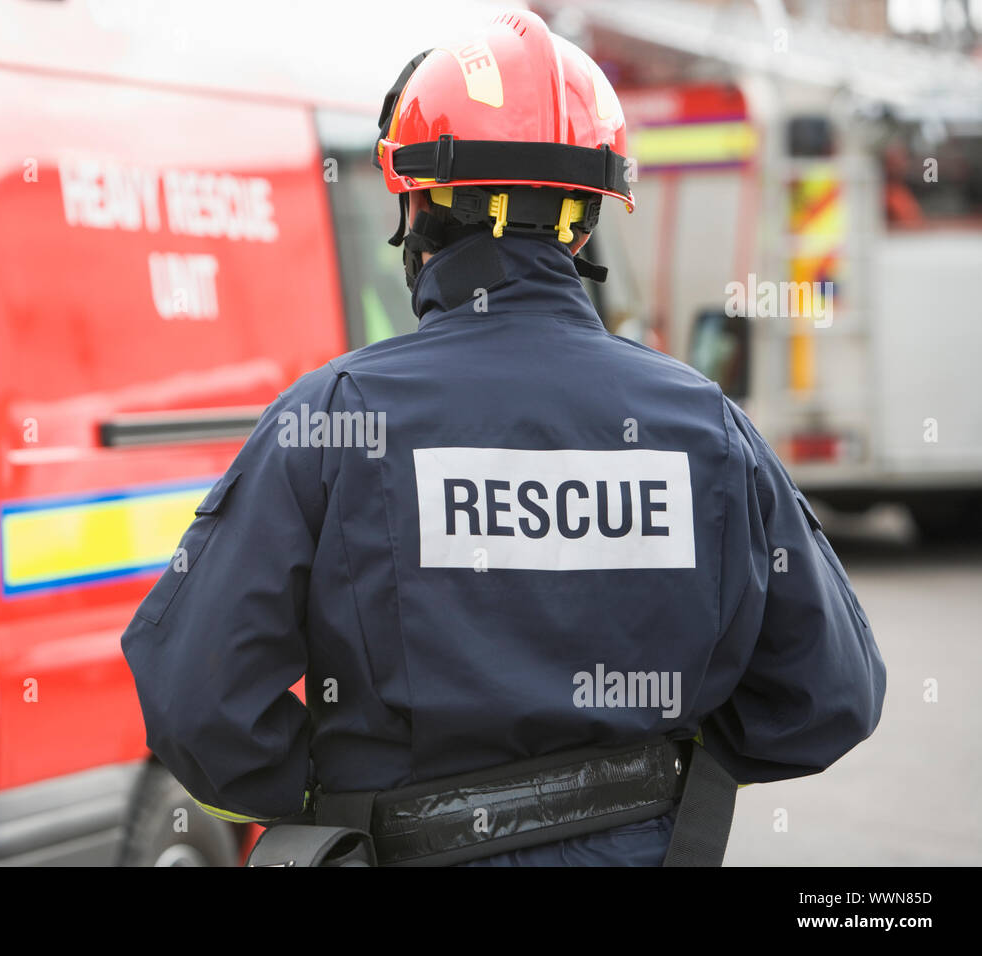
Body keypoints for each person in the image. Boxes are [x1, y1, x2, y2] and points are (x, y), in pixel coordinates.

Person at [120, 11, 885, 866]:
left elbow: (196, 696)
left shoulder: (333, 418)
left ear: (416, 212)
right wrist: (660, 780)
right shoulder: (704, 429)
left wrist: (330, 797)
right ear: (587, 219)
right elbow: (830, 695)